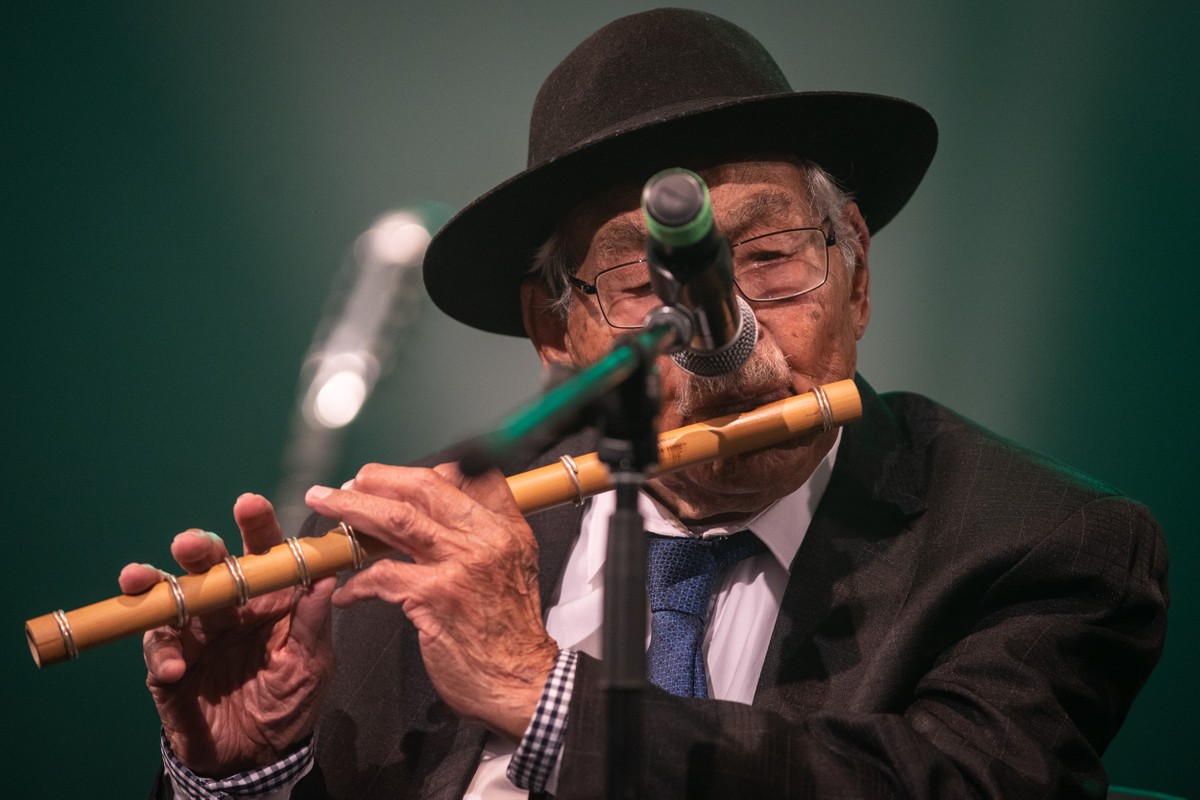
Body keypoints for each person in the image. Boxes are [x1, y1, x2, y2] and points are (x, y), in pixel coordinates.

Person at [122, 9, 1168, 799]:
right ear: (553, 327)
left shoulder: (1040, 544)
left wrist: (549, 699)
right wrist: (246, 770)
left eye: (770, 259)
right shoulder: (426, 549)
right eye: (643, 289)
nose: (730, 333)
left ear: (854, 272)